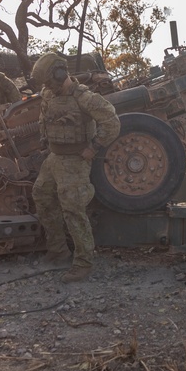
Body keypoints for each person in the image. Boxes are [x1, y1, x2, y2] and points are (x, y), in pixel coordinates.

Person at [30, 52, 120, 282]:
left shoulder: (84, 97)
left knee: (73, 209)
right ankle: (58, 250)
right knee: (41, 196)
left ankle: (83, 263)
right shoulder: (49, 94)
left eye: (49, 81)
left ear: (60, 74)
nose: (47, 86)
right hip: (54, 157)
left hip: (75, 160)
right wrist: (44, 140)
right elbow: (43, 118)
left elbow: (111, 120)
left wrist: (95, 147)